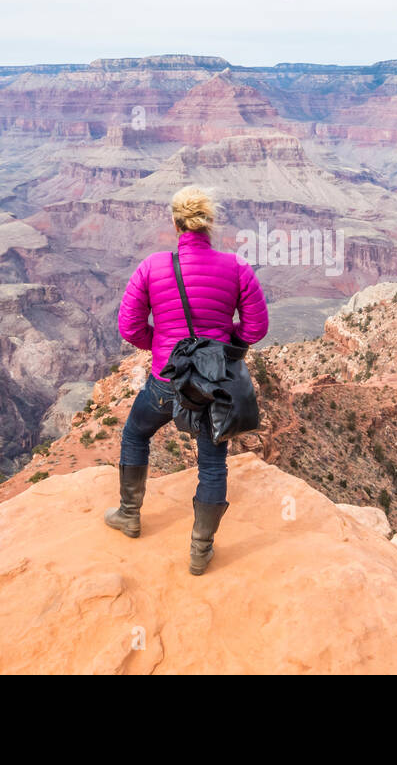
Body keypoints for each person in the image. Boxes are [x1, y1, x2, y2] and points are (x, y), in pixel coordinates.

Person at [106, 186, 269, 574]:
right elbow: (257, 327)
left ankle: (130, 514)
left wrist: (164, 348)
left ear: (176, 223)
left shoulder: (152, 266)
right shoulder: (237, 268)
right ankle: (200, 551)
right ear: (209, 223)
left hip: (166, 382)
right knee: (213, 465)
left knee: (135, 435)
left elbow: (129, 327)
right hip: (213, 386)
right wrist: (223, 346)